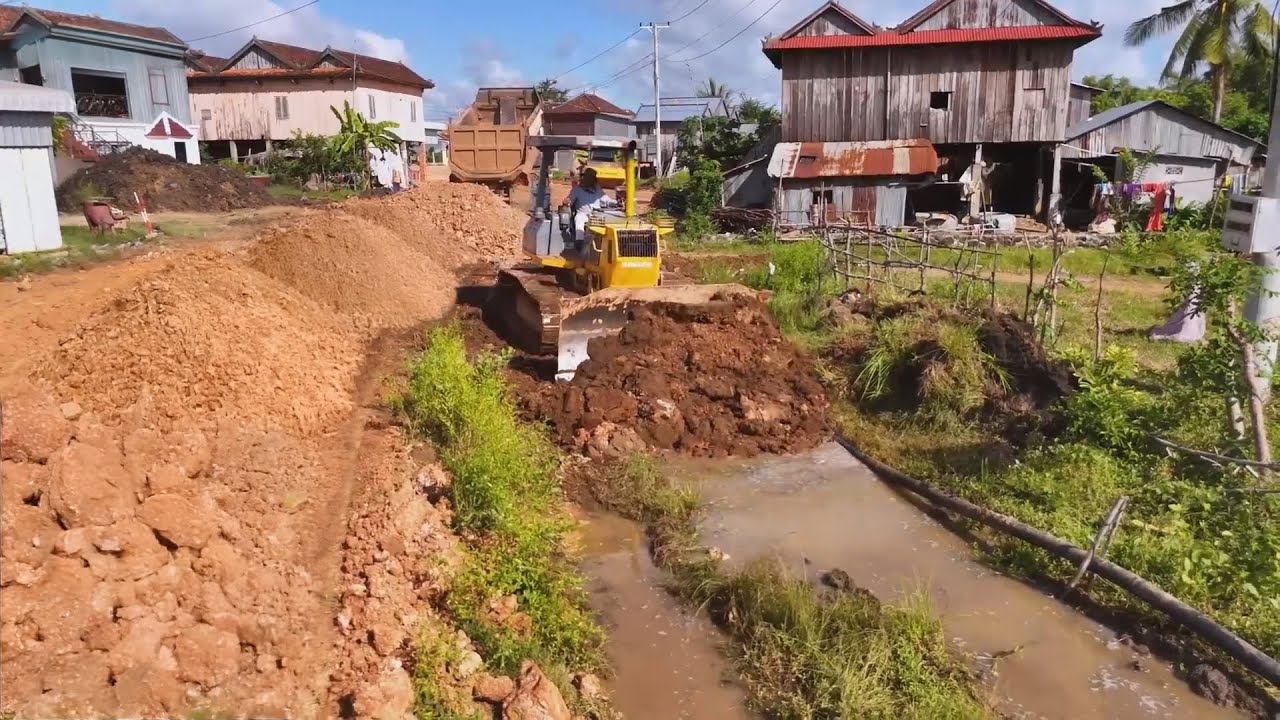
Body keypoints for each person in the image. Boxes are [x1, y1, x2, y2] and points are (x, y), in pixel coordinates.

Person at [566, 167, 617, 246]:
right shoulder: (577, 189)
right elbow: (569, 201)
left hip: (597, 214)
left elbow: (606, 199)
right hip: (583, 214)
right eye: (589, 177)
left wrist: (616, 202)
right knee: (579, 219)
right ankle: (579, 242)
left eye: (592, 178)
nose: (591, 180)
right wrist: (567, 202)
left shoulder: (597, 189)